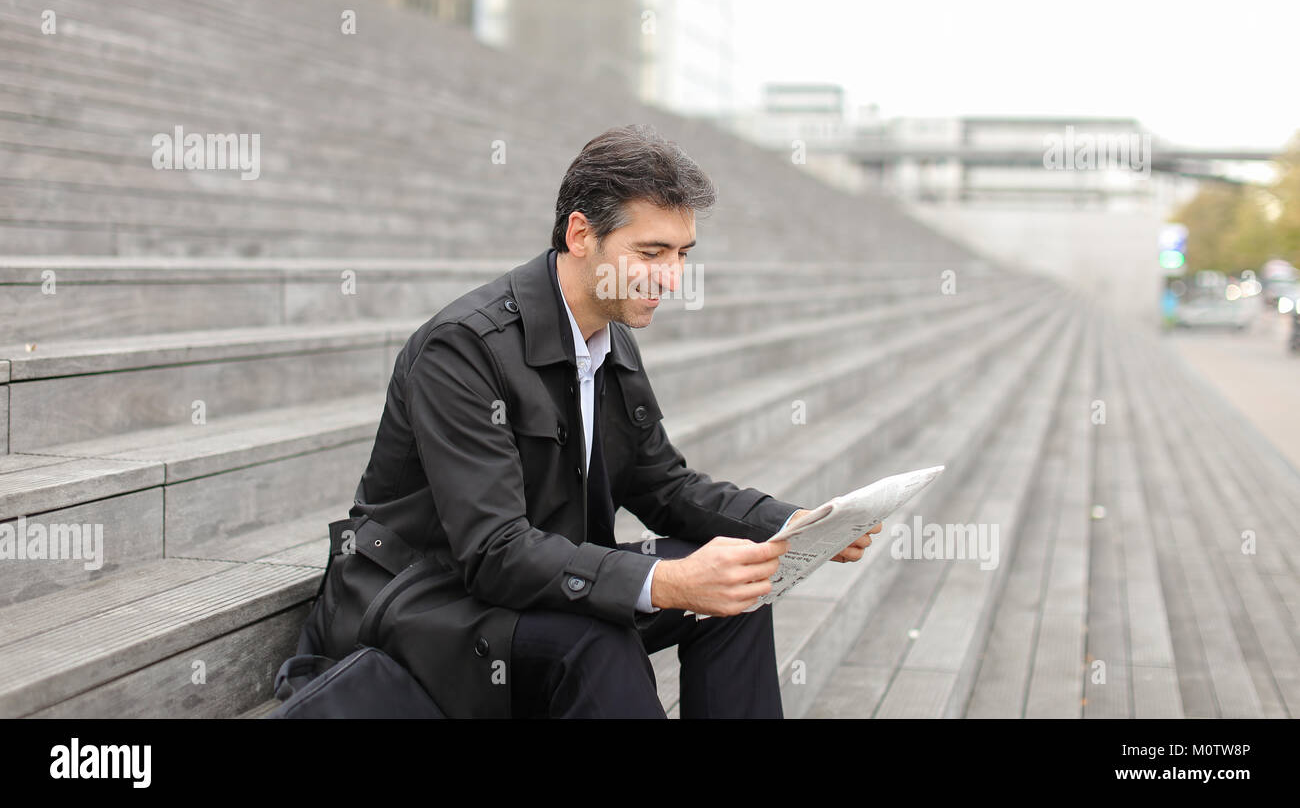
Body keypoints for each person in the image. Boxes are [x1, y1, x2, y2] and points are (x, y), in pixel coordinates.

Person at [301, 124, 880, 717]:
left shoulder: (608, 342)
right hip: (425, 603)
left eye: (681, 255)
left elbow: (664, 486)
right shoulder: (463, 349)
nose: (671, 278)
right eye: (650, 253)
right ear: (581, 234)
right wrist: (669, 582)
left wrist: (797, 524)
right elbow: (495, 552)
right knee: (596, 640)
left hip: (531, 586)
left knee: (736, 590)